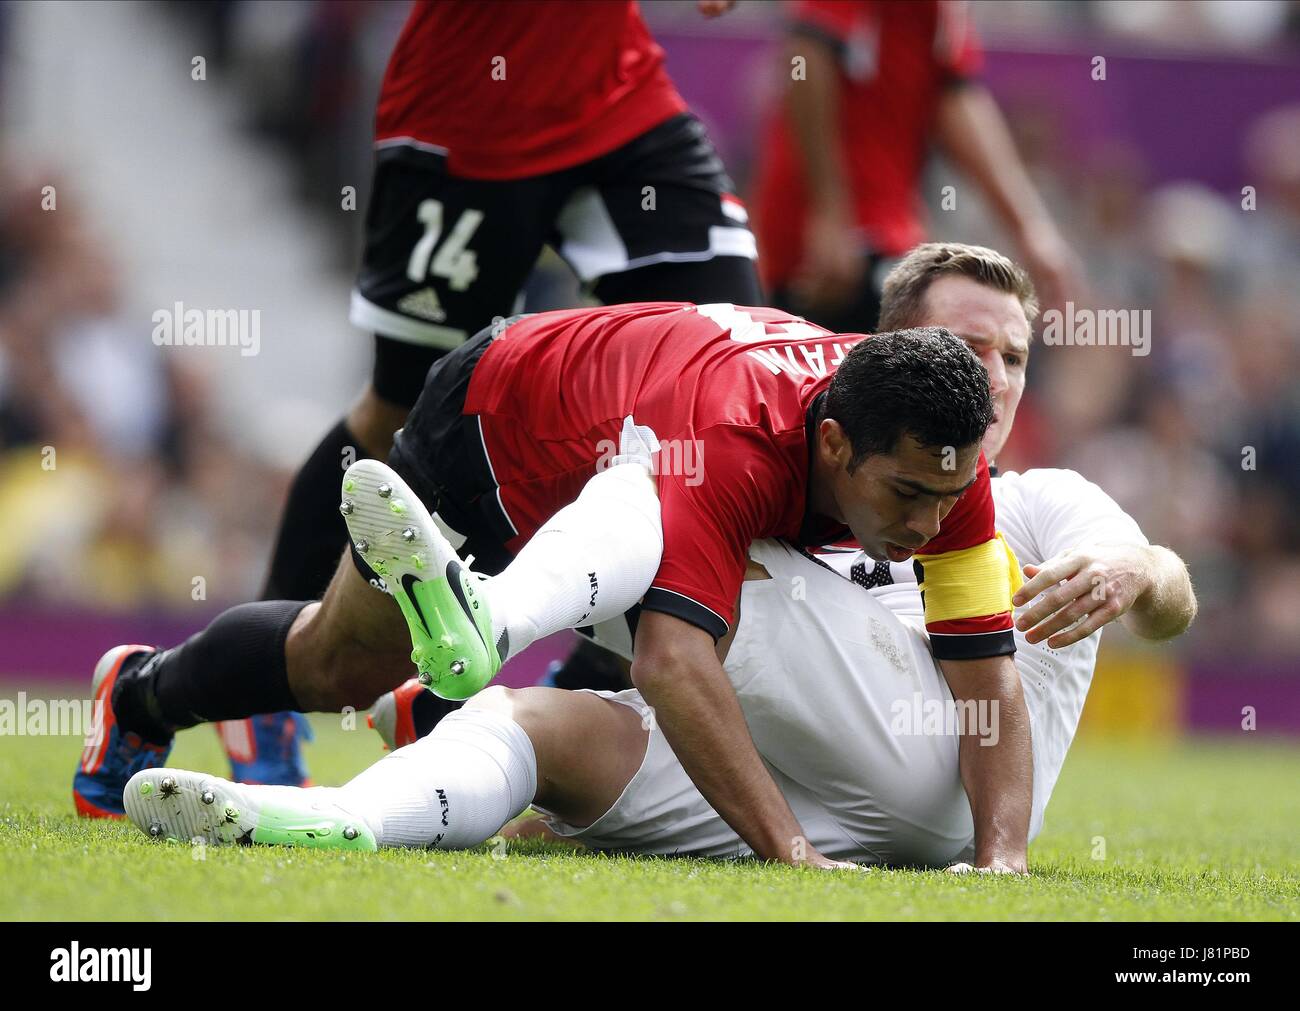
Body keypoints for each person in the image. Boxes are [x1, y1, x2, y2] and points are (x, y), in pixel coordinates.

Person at [121, 244, 1194, 871]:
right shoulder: (732, 438)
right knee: (337, 661)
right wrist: (794, 868)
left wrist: (998, 864)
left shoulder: (962, 472)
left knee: (509, 712)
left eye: (1014, 357)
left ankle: (337, 807)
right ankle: (165, 690)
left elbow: (1011, 654)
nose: (996, 380)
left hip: (835, 767)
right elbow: (678, 659)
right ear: (883, 348)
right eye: (968, 351)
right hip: (497, 428)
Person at [196, 0, 761, 789]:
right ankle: (264, 689)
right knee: (394, 411)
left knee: (721, 369)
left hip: (617, 96)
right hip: (472, 110)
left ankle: (571, 704)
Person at [753, 0, 1079, 335]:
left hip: (888, 231)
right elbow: (808, 51)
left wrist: (1029, 229)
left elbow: (953, 92)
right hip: (834, 238)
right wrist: (829, 211)